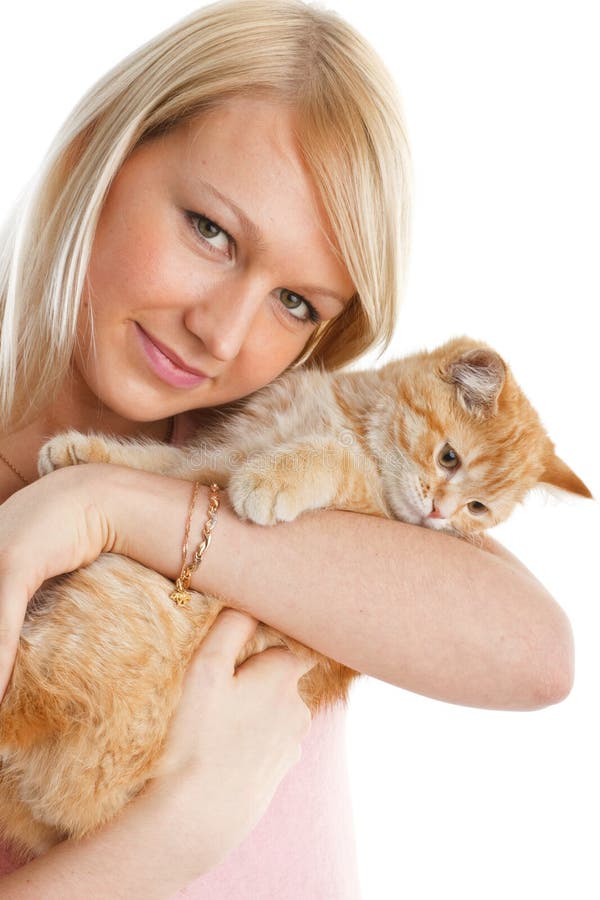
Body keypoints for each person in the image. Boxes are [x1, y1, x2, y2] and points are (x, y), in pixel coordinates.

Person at [0, 0, 573, 896]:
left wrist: (101, 504)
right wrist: (175, 833)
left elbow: (537, 654)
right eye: (211, 231)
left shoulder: (270, 451)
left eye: (297, 303)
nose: (220, 335)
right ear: (94, 158)